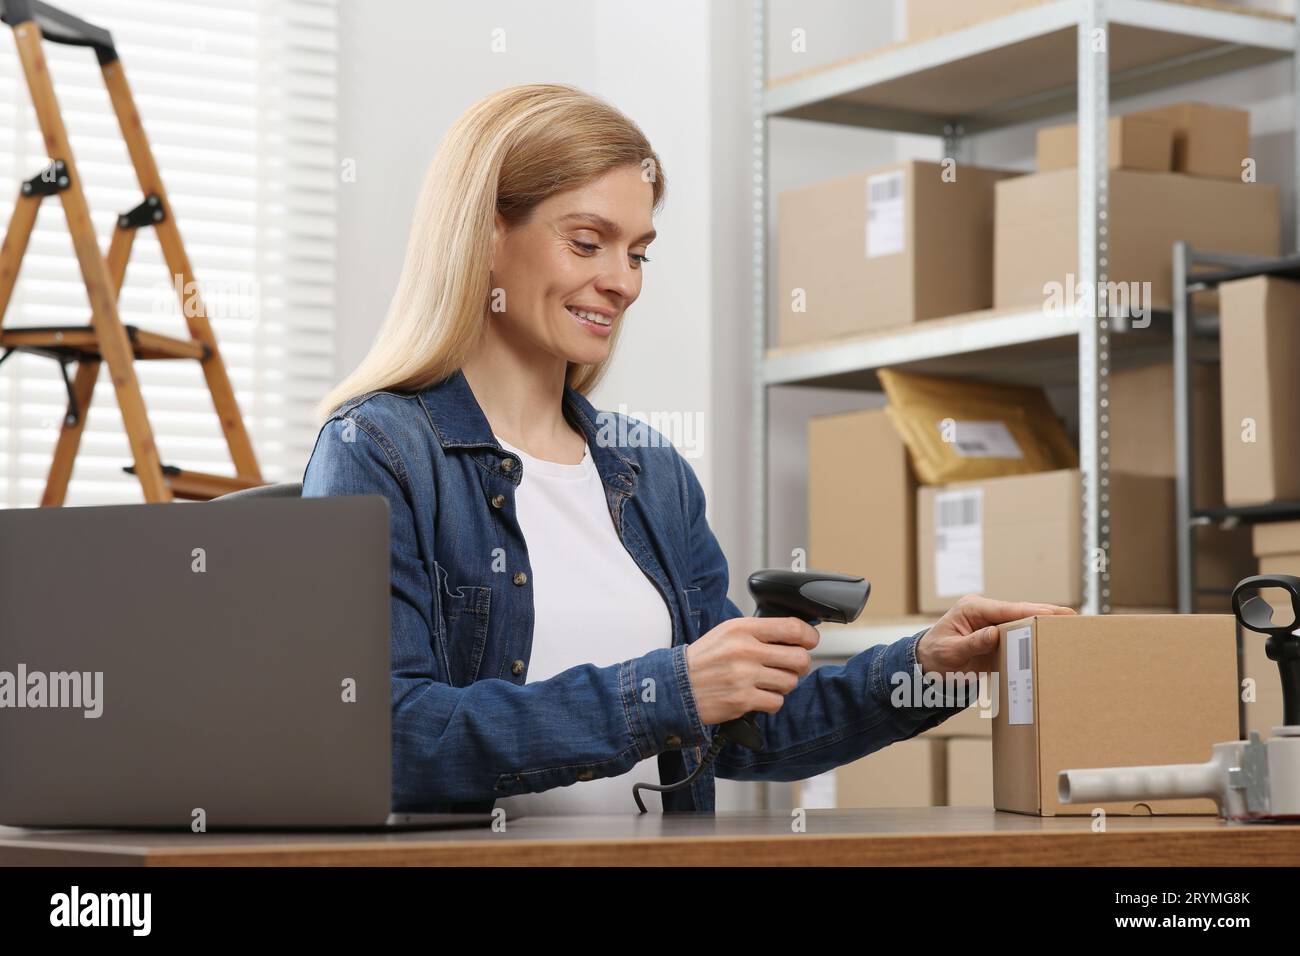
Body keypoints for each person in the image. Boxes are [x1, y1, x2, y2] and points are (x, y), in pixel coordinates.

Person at [302, 83, 1075, 815]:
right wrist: (667, 690)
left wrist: (924, 667)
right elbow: (383, 735)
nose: (622, 282)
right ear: (487, 236)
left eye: (637, 253)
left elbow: (747, 728)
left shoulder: (647, 470)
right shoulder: (376, 450)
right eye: (586, 242)